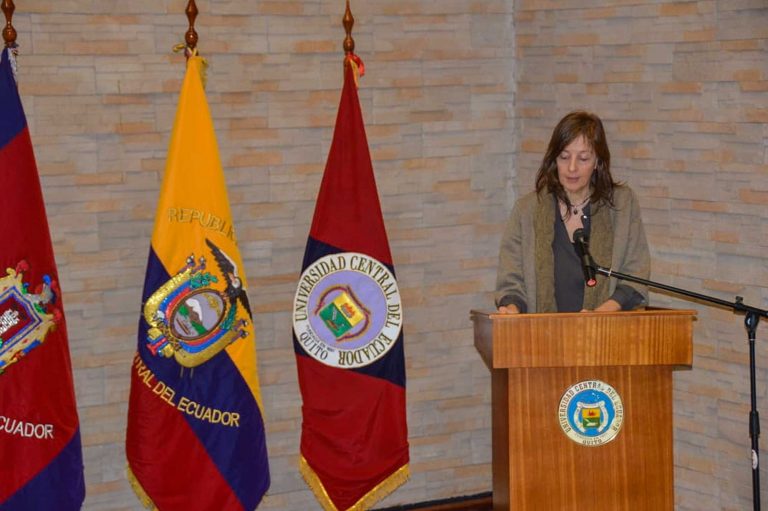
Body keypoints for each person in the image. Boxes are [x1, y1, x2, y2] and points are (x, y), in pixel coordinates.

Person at [495, 111, 650, 314]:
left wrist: (599, 316)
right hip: (542, 339)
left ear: (597, 161)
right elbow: (511, 280)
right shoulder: (526, 210)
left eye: (583, 158)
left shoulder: (622, 205)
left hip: (606, 337)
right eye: (564, 157)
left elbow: (634, 274)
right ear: (554, 159)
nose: (572, 167)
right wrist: (511, 308)